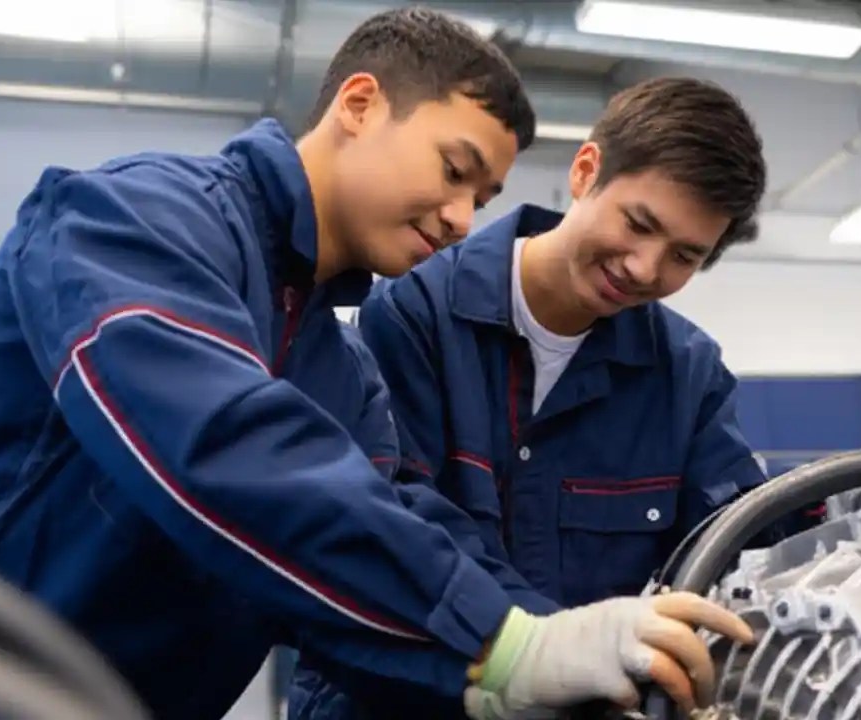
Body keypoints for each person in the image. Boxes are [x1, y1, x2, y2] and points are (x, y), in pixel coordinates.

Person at [0, 8, 751, 720]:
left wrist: (572, 649)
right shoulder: (133, 219)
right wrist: (505, 644)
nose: (461, 219)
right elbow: (223, 447)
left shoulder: (340, 371)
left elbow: (399, 524)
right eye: (455, 170)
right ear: (359, 105)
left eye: (481, 198)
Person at [290, 76, 771, 719]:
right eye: (638, 224)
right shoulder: (410, 318)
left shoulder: (690, 377)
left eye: (684, 255)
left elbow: (742, 551)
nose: (645, 269)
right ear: (586, 170)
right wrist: (562, 653)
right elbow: (397, 538)